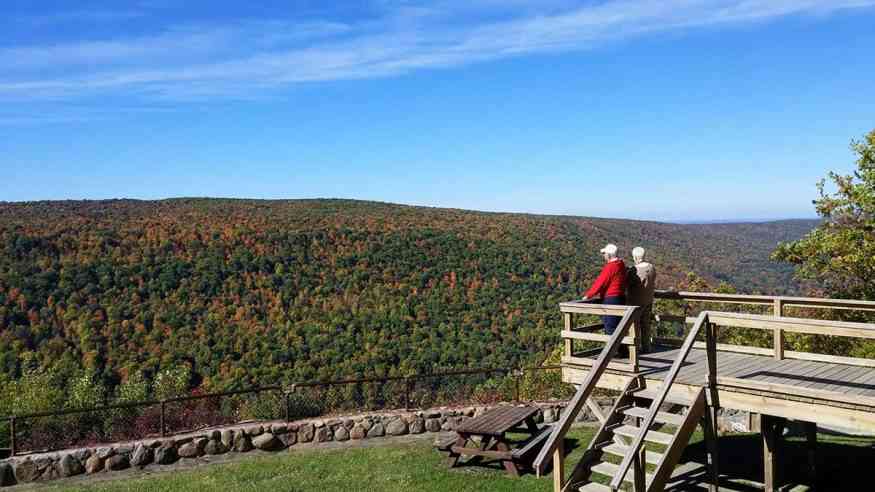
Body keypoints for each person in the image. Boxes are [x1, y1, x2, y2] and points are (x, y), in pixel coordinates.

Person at [584, 244, 627, 335]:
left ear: (609, 255)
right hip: (621, 299)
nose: (603, 255)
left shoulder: (610, 267)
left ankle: (613, 345)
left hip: (611, 300)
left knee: (610, 328)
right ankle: (621, 344)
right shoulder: (621, 264)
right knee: (618, 328)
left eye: (604, 253)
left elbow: (600, 283)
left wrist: (588, 295)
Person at [627, 246, 657, 352]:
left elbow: (627, 284)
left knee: (634, 325)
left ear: (635, 257)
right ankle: (646, 347)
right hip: (648, 300)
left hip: (635, 302)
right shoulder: (651, 267)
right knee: (646, 324)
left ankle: (635, 349)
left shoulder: (633, 270)